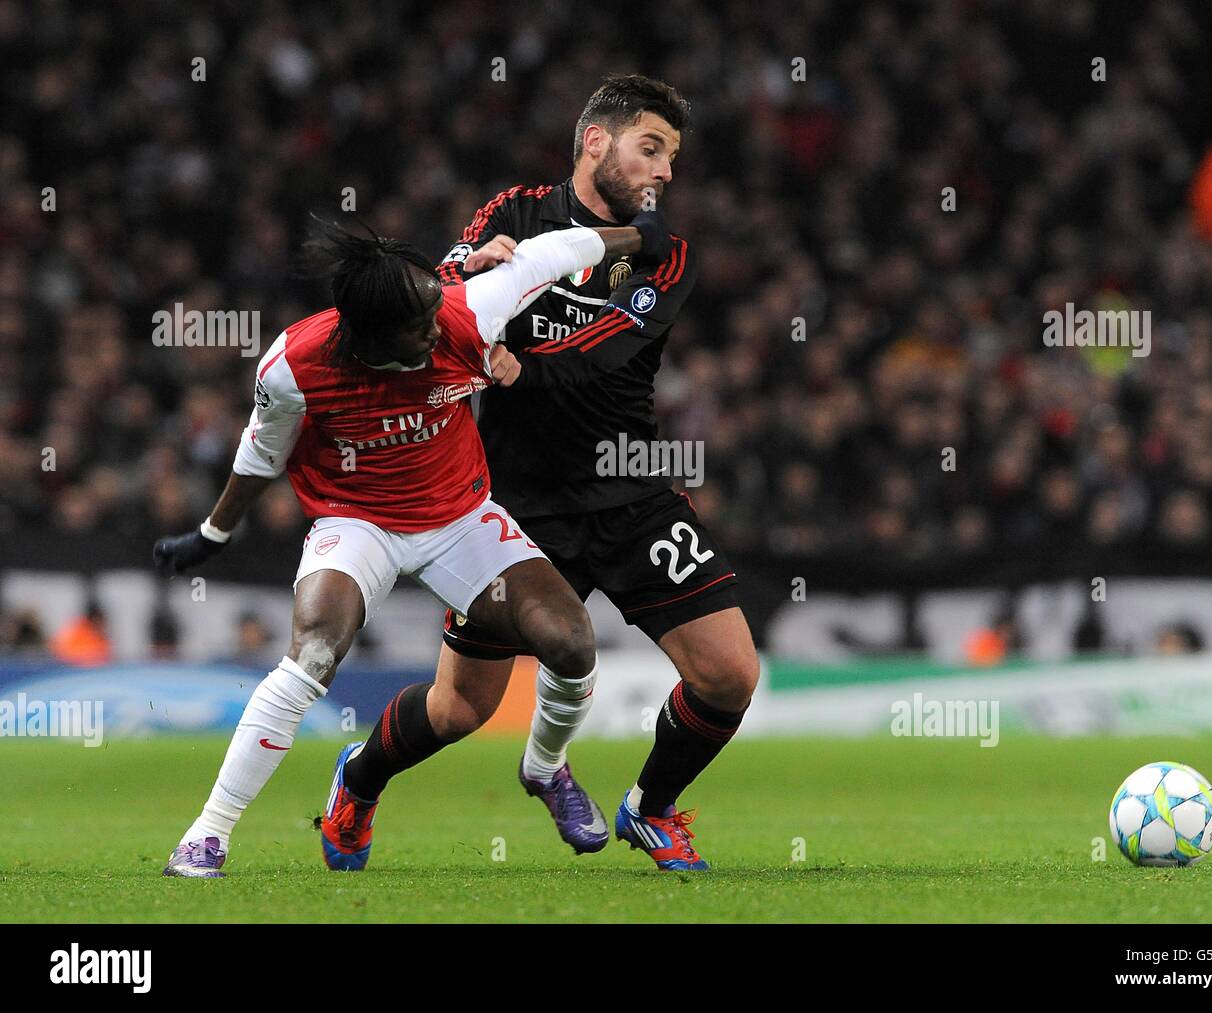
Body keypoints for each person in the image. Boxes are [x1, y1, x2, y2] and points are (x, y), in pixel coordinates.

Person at [153, 211, 670, 877]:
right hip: (356, 520)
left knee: (571, 641)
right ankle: (207, 834)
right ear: (366, 338)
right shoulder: (293, 366)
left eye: (433, 315)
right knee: (313, 649)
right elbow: (262, 453)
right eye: (417, 327)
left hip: (459, 516)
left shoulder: (467, 311)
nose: (435, 331)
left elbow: (555, 251)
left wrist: (642, 241)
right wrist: (213, 531)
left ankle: (544, 769)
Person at [432, 75, 761, 871]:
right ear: (595, 143)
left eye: (673, 156)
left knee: (730, 674)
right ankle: (359, 781)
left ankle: (650, 808)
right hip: (517, 504)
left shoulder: (667, 254)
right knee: (458, 708)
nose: (666, 172)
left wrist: (519, 371)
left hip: (631, 491)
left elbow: (609, 347)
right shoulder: (515, 213)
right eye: (651, 148)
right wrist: (470, 272)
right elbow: (439, 293)